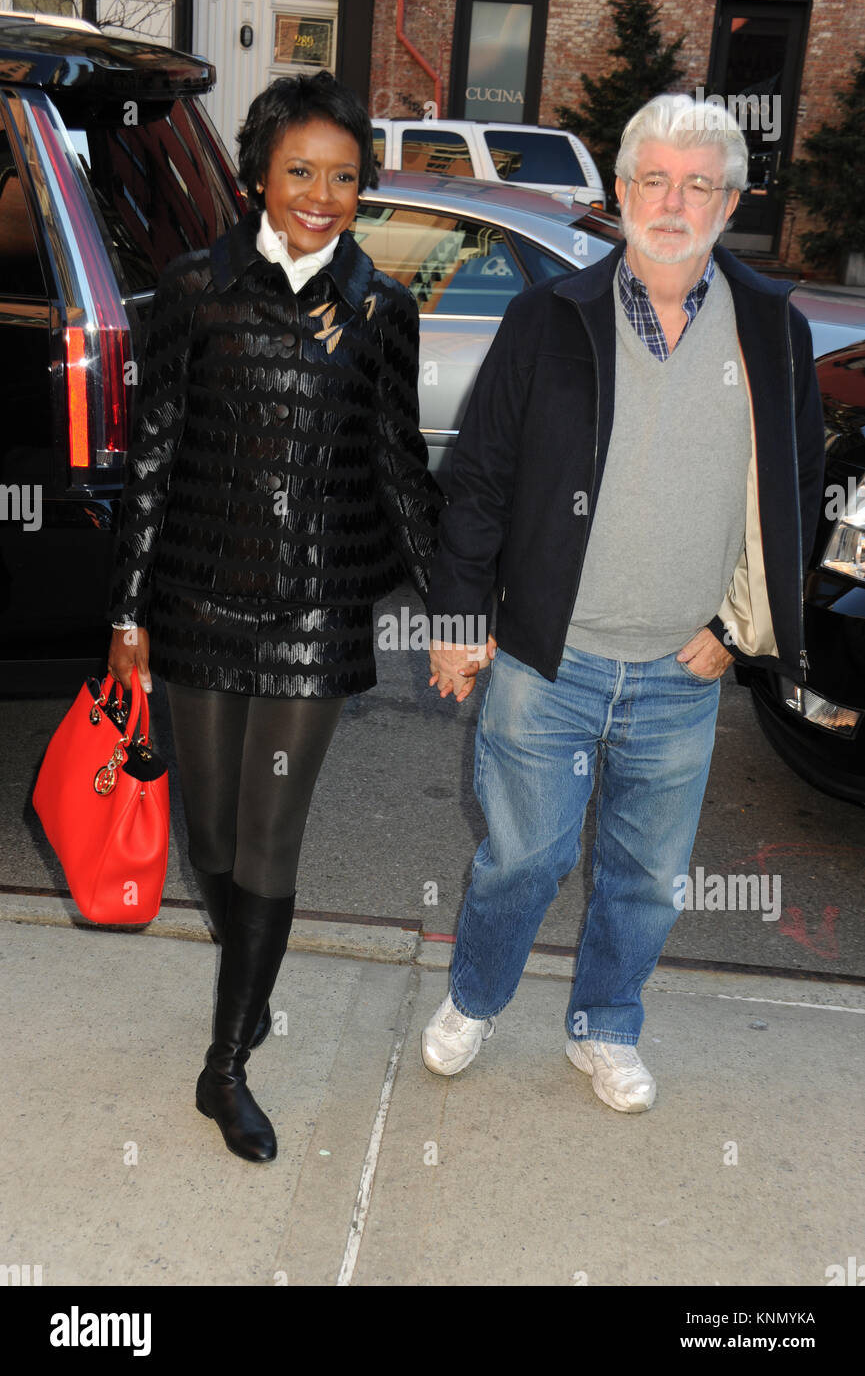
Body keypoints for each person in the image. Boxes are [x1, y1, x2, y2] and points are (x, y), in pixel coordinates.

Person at [422, 94, 824, 1111]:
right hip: (543, 659)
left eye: (698, 183)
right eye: (654, 178)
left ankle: (605, 1025)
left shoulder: (773, 331)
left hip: (682, 671)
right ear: (621, 190)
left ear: (729, 200)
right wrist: (462, 620)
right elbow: (475, 481)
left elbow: (790, 495)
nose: (673, 201)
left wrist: (738, 631)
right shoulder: (547, 318)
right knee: (524, 857)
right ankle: (475, 995)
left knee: (645, 878)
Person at [106, 71, 441, 1161]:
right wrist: (127, 610)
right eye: (301, 170)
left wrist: (460, 608)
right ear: (258, 173)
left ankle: (227, 1060)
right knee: (212, 839)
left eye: (344, 177)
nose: (321, 194)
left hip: (311, 619)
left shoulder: (382, 308)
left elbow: (397, 468)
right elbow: (151, 460)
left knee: (269, 839)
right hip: (198, 602)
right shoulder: (192, 289)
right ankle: (247, 973)